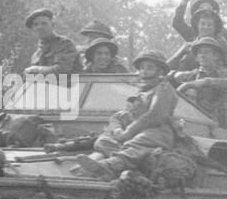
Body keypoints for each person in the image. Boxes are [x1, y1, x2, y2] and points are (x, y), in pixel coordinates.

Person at [73, 49, 179, 180]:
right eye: (141, 68)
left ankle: (108, 166)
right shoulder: (140, 91)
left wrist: (128, 132)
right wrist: (117, 130)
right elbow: (120, 115)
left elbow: (156, 115)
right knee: (103, 141)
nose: (144, 71)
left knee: (138, 142)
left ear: (161, 71)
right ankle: (120, 162)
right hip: (136, 131)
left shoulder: (163, 88)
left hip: (158, 132)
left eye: (150, 67)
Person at [169, 0, 227, 79]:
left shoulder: (222, 39)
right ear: (197, 24)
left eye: (210, 25)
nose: (205, 27)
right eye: (203, 24)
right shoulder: (191, 38)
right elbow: (178, 23)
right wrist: (184, 2)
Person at [171, 37, 227, 125]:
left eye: (206, 52)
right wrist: (175, 75)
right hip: (192, 119)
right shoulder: (194, 74)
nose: (202, 55)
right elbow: (171, 76)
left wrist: (206, 82)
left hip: (216, 123)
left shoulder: (222, 72)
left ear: (216, 56)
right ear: (196, 57)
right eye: (200, 52)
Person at [24, 8, 82, 75]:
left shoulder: (65, 44)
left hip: (70, 84)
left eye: (44, 23)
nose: (40, 27)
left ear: (52, 25)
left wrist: (36, 69)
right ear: (33, 29)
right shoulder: (36, 54)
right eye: (36, 24)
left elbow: (62, 70)